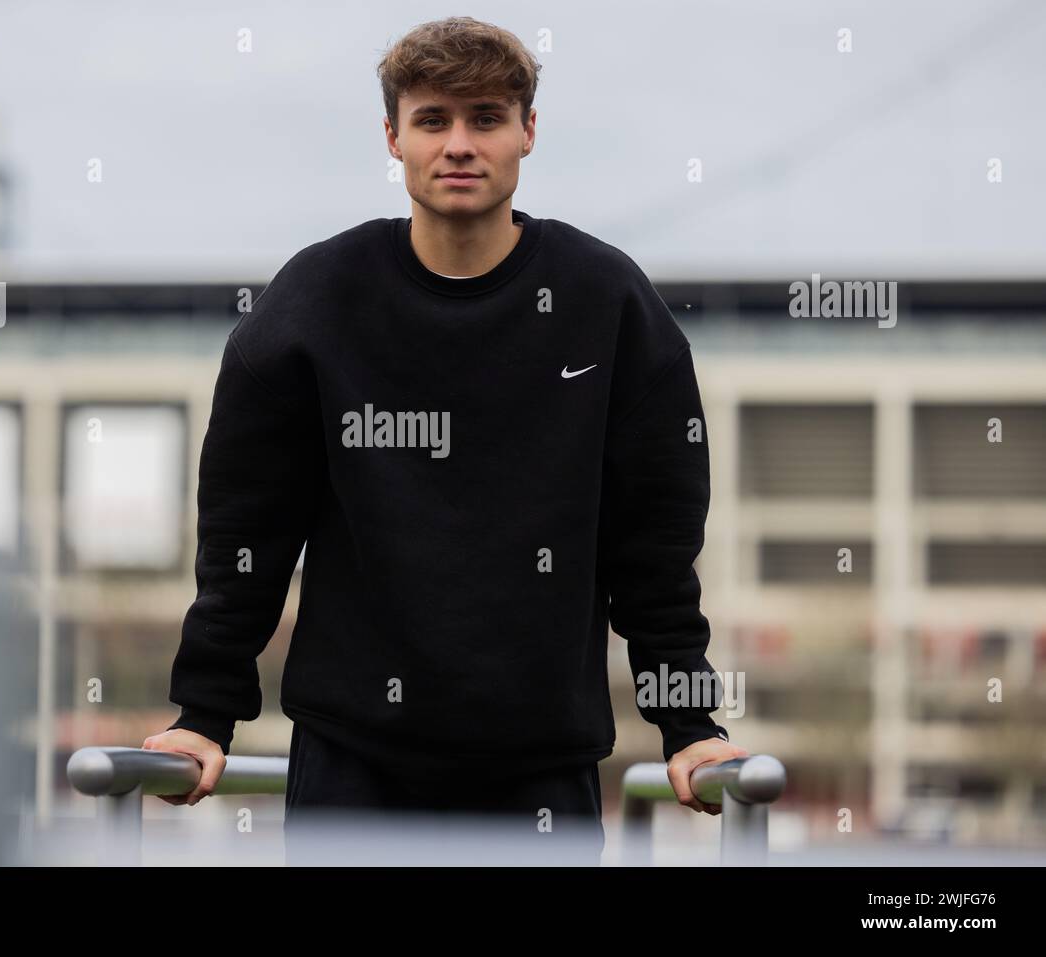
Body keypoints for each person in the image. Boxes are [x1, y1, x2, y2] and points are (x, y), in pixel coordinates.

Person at [142, 15, 747, 864]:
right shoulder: (316, 302)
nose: (459, 144)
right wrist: (202, 715)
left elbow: (653, 550)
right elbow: (247, 533)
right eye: (433, 120)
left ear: (528, 131)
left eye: (486, 118)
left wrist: (689, 725)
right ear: (392, 137)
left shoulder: (604, 303)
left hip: (540, 772)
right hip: (352, 769)